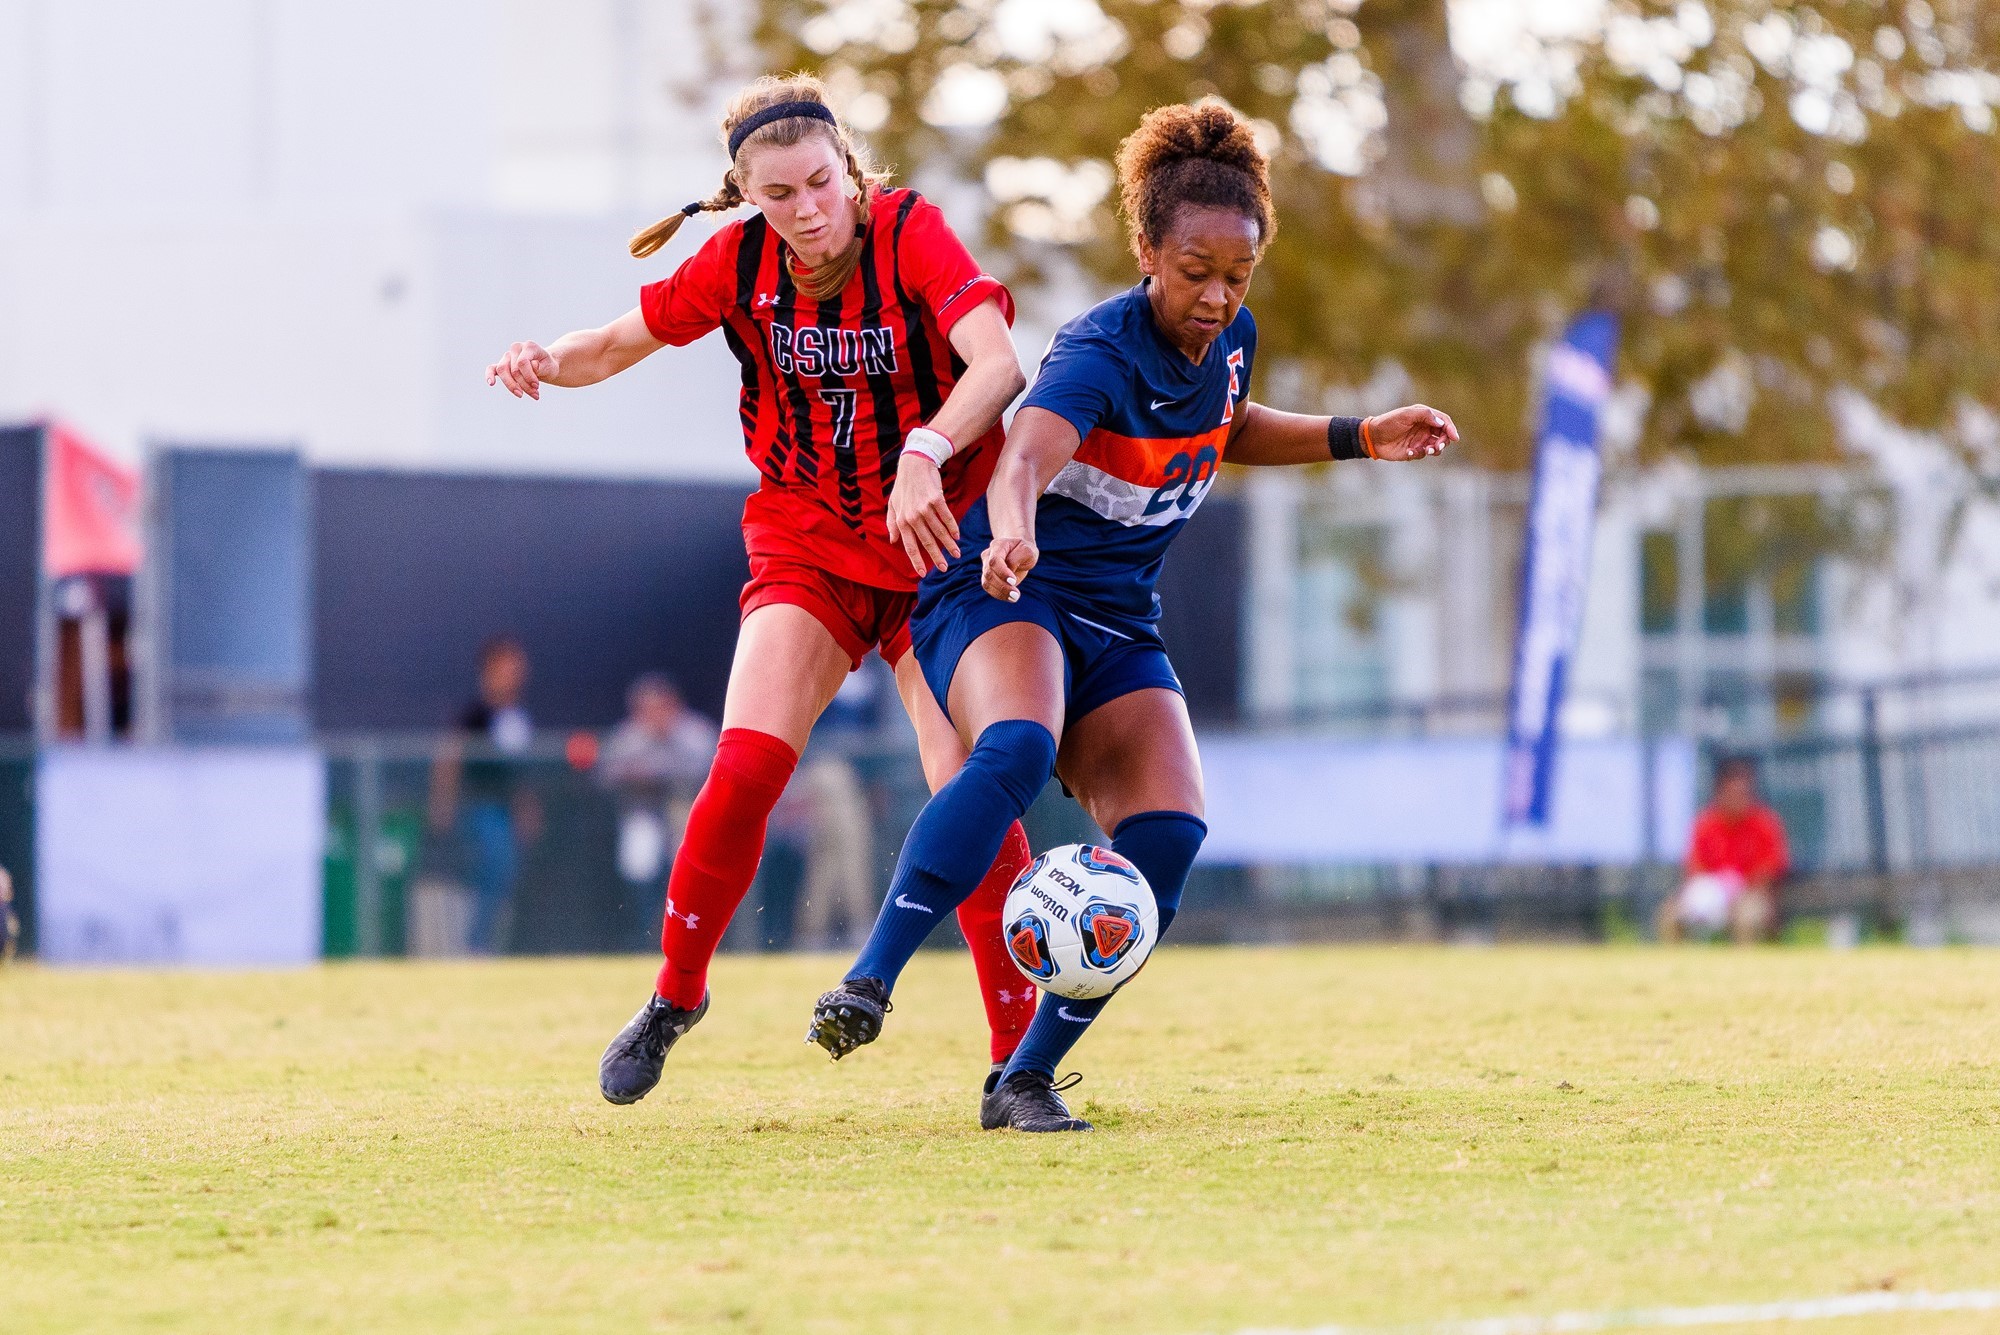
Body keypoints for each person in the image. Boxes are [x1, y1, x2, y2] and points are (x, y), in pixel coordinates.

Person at [807, 101, 1458, 1132]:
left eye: (1237, 275)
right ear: (1148, 250)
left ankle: (1022, 1078)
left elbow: (1226, 423)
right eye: (1195, 271)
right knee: (1018, 747)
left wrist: (1359, 435)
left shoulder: (1230, 340)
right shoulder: (1098, 353)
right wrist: (1011, 532)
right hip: (1005, 587)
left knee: (1169, 835)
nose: (1216, 295)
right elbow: (1023, 459)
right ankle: (869, 978)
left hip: (1116, 618)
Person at [485, 73, 1039, 1105]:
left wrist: (925, 449)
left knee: (969, 784)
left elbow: (998, 364)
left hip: (935, 551)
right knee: (743, 768)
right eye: (778, 194)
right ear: (746, 197)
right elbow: (608, 346)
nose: (807, 209)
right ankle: (675, 996)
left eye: (820, 183)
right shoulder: (738, 263)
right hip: (809, 543)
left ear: (849, 171)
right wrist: (540, 360)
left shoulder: (909, 232)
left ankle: (1017, 1063)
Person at [427, 636, 541, 954]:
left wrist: (527, 807)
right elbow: (449, 757)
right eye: (508, 667)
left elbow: (520, 771)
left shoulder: (518, 717)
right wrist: (443, 803)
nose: (515, 674)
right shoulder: (474, 714)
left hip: (508, 810)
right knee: (494, 865)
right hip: (478, 805)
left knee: (506, 873)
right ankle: (475, 944)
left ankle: (489, 942)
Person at [597, 673, 719, 941]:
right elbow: (605, 775)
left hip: (687, 812)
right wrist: (633, 774)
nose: (655, 716)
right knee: (640, 854)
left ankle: (693, 933)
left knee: (690, 853)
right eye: (647, 709)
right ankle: (645, 932)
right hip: (642, 812)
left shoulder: (694, 733)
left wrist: (663, 771)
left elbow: (713, 772)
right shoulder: (628, 737)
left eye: (661, 707)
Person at [1659, 754, 1789, 944]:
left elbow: (1773, 866)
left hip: (1750, 894)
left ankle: (1744, 961)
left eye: (1743, 793)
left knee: (1746, 917)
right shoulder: (1705, 824)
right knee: (1671, 914)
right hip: (1711, 895)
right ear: (1720, 793)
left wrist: (1740, 888)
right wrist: (1715, 889)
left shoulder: (1765, 823)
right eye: (1733, 793)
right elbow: (1693, 865)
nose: (1739, 799)